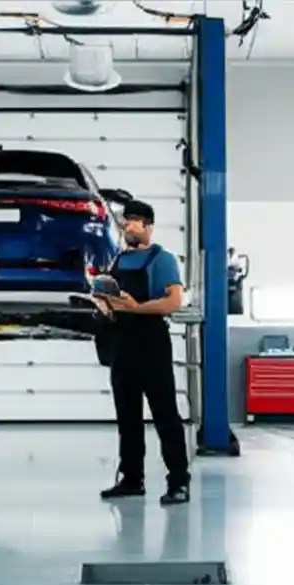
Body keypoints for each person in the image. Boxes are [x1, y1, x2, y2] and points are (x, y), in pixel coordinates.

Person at [96, 199, 192, 506]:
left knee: (166, 416)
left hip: (152, 344)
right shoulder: (116, 262)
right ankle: (132, 479)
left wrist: (137, 308)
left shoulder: (161, 259)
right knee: (128, 418)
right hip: (121, 345)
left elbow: (173, 302)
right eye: (126, 221)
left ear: (148, 226)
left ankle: (178, 482)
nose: (129, 226)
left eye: (135, 221)